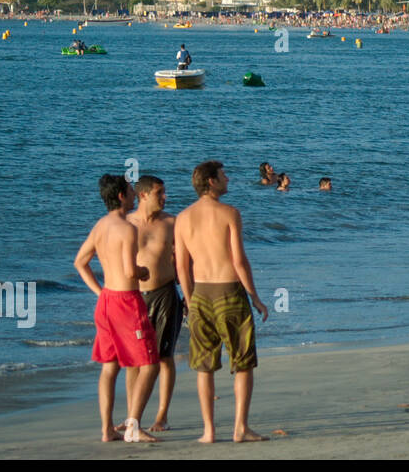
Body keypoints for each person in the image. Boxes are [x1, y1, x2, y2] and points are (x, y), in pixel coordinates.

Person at [175, 161, 268, 443]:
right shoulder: (230, 213)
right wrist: (254, 296)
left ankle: (209, 431)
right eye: (224, 175)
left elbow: (182, 266)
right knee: (243, 362)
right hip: (228, 291)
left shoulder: (182, 217)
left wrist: (189, 300)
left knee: (204, 365)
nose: (228, 178)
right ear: (212, 182)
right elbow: (239, 260)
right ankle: (240, 427)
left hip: (201, 293)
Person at [73, 174, 160, 443]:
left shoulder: (100, 225)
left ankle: (106, 429)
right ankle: (133, 425)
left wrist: (100, 292)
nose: (135, 194)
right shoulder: (127, 228)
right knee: (150, 363)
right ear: (122, 196)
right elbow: (129, 269)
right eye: (132, 191)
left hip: (107, 299)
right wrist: (143, 271)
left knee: (110, 365)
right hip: (126, 302)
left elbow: (80, 262)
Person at [127, 175, 182, 433]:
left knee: (163, 357)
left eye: (164, 192)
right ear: (143, 195)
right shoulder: (126, 223)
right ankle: (132, 417)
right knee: (134, 360)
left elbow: (185, 258)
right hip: (135, 298)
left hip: (165, 294)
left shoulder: (172, 222)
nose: (165, 197)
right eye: (160, 193)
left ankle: (162, 415)